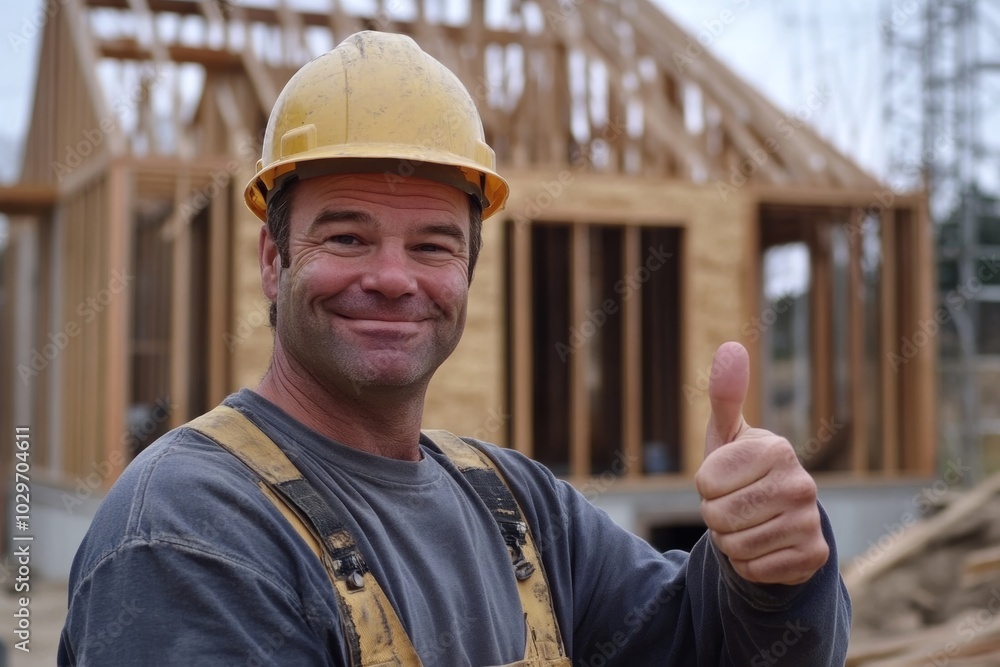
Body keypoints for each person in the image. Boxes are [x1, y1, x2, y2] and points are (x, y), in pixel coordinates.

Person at [58, 31, 849, 666]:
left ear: (468, 268)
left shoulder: (516, 505)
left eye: (434, 244)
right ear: (274, 258)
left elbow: (701, 643)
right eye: (347, 234)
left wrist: (768, 572)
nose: (394, 277)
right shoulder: (191, 527)